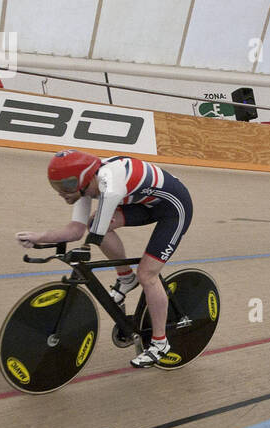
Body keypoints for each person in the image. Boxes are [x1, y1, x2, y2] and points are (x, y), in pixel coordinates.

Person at [15, 150, 193, 368]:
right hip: (143, 203)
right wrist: (39, 237)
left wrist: (83, 249)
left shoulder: (111, 184)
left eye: (66, 186)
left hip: (174, 208)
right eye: (56, 187)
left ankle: (160, 343)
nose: (62, 193)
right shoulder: (86, 183)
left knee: (147, 274)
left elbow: (94, 236)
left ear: (83, 178)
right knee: (94, 223)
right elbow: (76, 231)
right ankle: (126, 278)